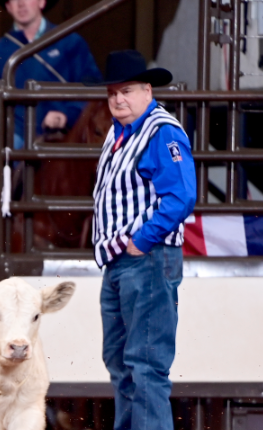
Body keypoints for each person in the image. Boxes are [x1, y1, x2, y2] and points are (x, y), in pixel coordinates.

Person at [86, 50, 196, 430]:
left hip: (146, 259)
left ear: (147, 90)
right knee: (120, 362)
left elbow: (182, 195)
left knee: (145, 365)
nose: (119, 99)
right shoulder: (120, 133)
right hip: (122, 261)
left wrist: (143, 239)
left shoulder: (161, 131)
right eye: (113, 92)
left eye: (127, 90)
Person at [0, 0, 102, 148]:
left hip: (66, 136)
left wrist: (66, 115)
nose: (21, 2)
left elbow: (92, 88)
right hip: (14, 142)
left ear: (41, 1)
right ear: (8, 6)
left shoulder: (71, 43)